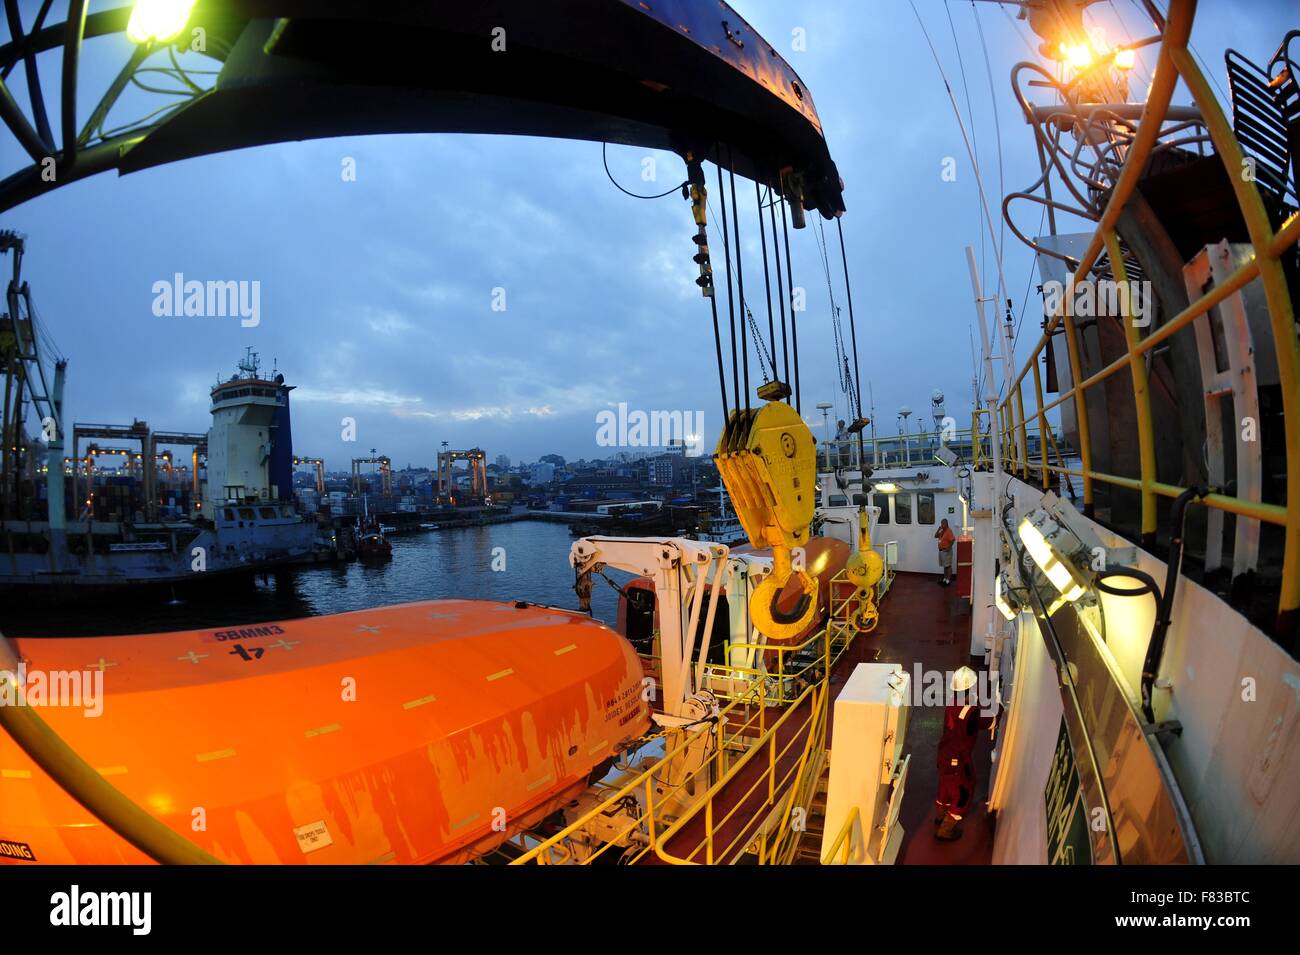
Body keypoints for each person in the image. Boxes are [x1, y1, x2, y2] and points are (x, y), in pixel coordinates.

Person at [934, 666, 980, 841]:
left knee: (944, 787)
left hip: (944, 755)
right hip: (959, 759)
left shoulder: (952, 703)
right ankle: (945, 831)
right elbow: (985, 721)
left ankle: (939, 817)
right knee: (963, 792)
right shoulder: (971, 711)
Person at [934, 517, 956, 585]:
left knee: (948, 566)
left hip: (946, 552)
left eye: (943, 524)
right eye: (941, 523)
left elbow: (953, 540)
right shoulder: (941, 530)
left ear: (946, 524)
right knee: (945, 566)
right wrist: (938, 529)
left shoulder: (949, 531)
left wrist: (949, 548)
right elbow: (935, 536)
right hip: (941, 551)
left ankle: (948, 581)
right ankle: (944, 579)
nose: (942, 525)